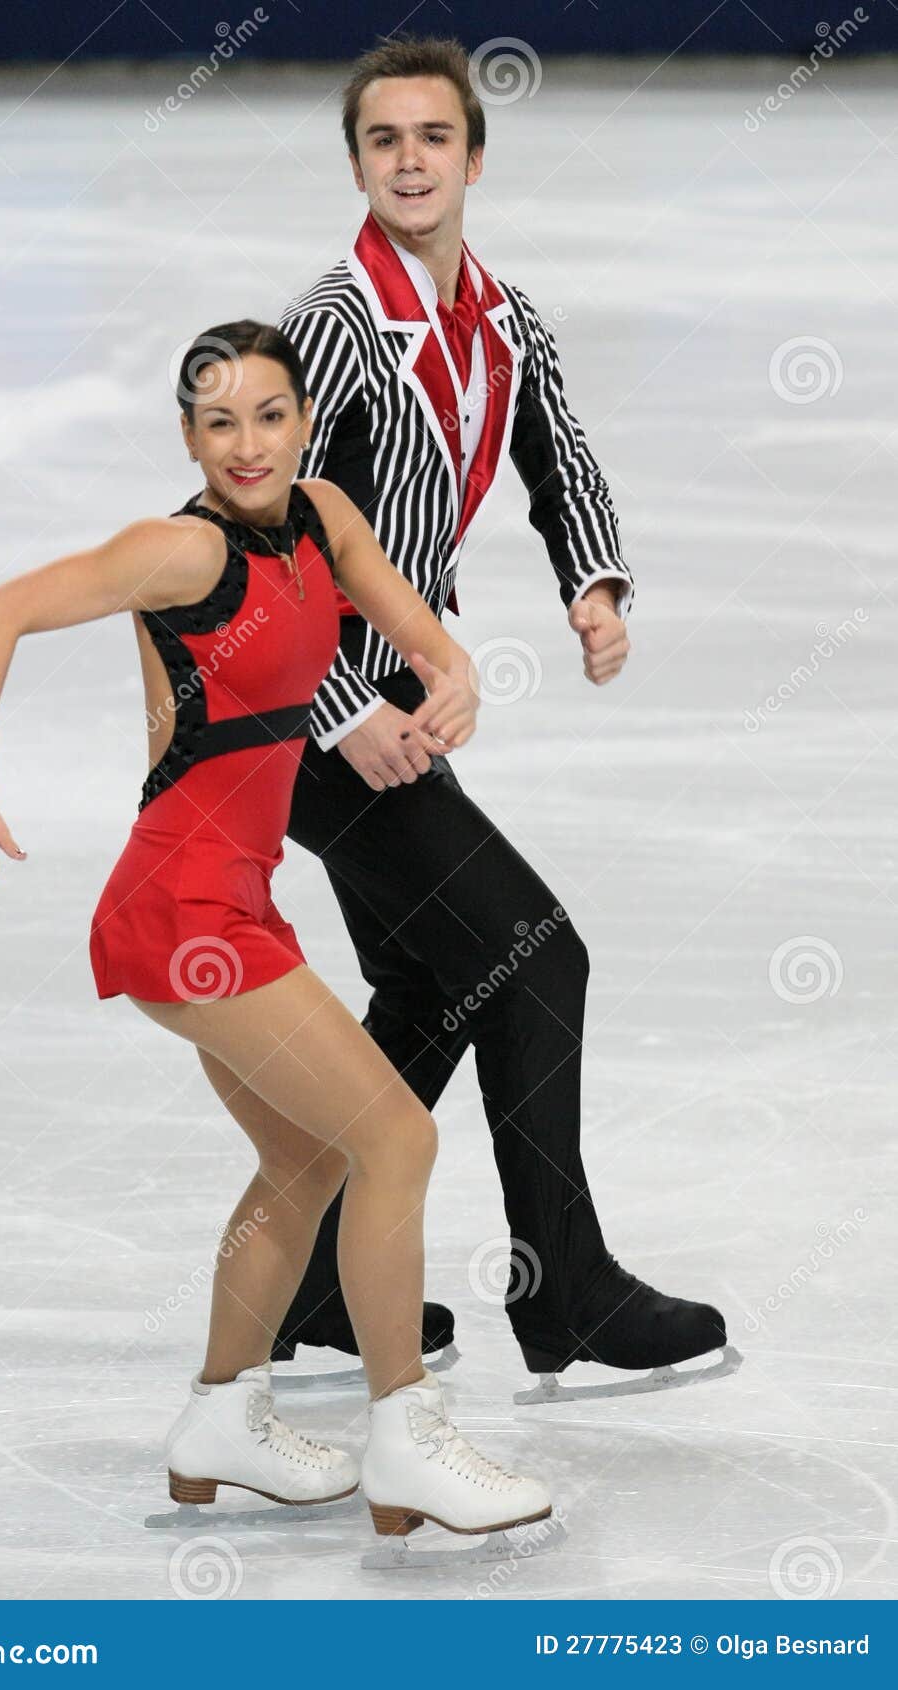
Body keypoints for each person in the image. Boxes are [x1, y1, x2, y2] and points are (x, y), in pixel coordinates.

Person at [0, 320, 553, 1543]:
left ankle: (223, 1416)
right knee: (396, 1137)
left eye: (270, 415)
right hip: (182, 909)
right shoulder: (179, 552)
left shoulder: (322, 517)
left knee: (308, 1158)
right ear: (189, 437)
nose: (248, 444)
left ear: (303, 421)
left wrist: (452, 671)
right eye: (219, 423)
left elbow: (412, 624)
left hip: (236, 901)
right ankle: (406, 1436)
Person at [269, 34, 736, 1401]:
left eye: (434, 137)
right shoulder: (332, 325)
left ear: (474, 157)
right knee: (536, 956)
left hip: (390, 707)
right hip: (308, 714)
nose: (410, 161)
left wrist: (592, 583)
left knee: (435, 979)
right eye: (384, 140)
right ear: (357, 165)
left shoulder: (501, 318)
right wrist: (344, 705)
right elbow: (266, 530)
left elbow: (557, 454)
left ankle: (313, 1278)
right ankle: (564, 1290)